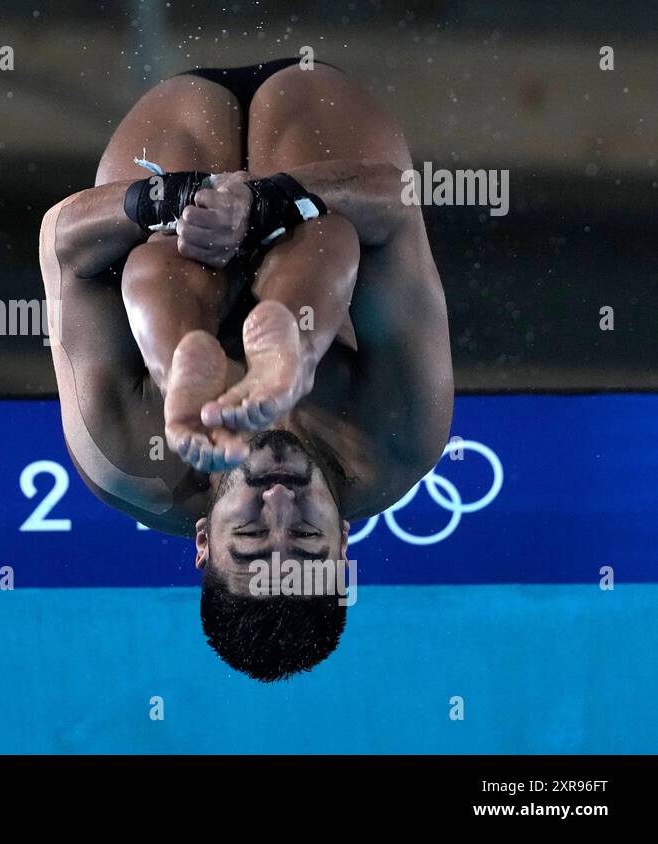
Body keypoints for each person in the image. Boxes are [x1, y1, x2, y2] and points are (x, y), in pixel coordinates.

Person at [39, 58, 453, 681]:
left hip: (179, 179)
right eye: (308, 539)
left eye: (254, 538)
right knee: (325, 238)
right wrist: (266, 202)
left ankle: (181, 358)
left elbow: (62, 245)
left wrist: (173, 199)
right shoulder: (398, 442)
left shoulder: (123, 460)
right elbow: (396, 206)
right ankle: (292, 348)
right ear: (344, 547)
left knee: (155, 272)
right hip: (316, 140)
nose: (280, 503)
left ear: (204, 544)